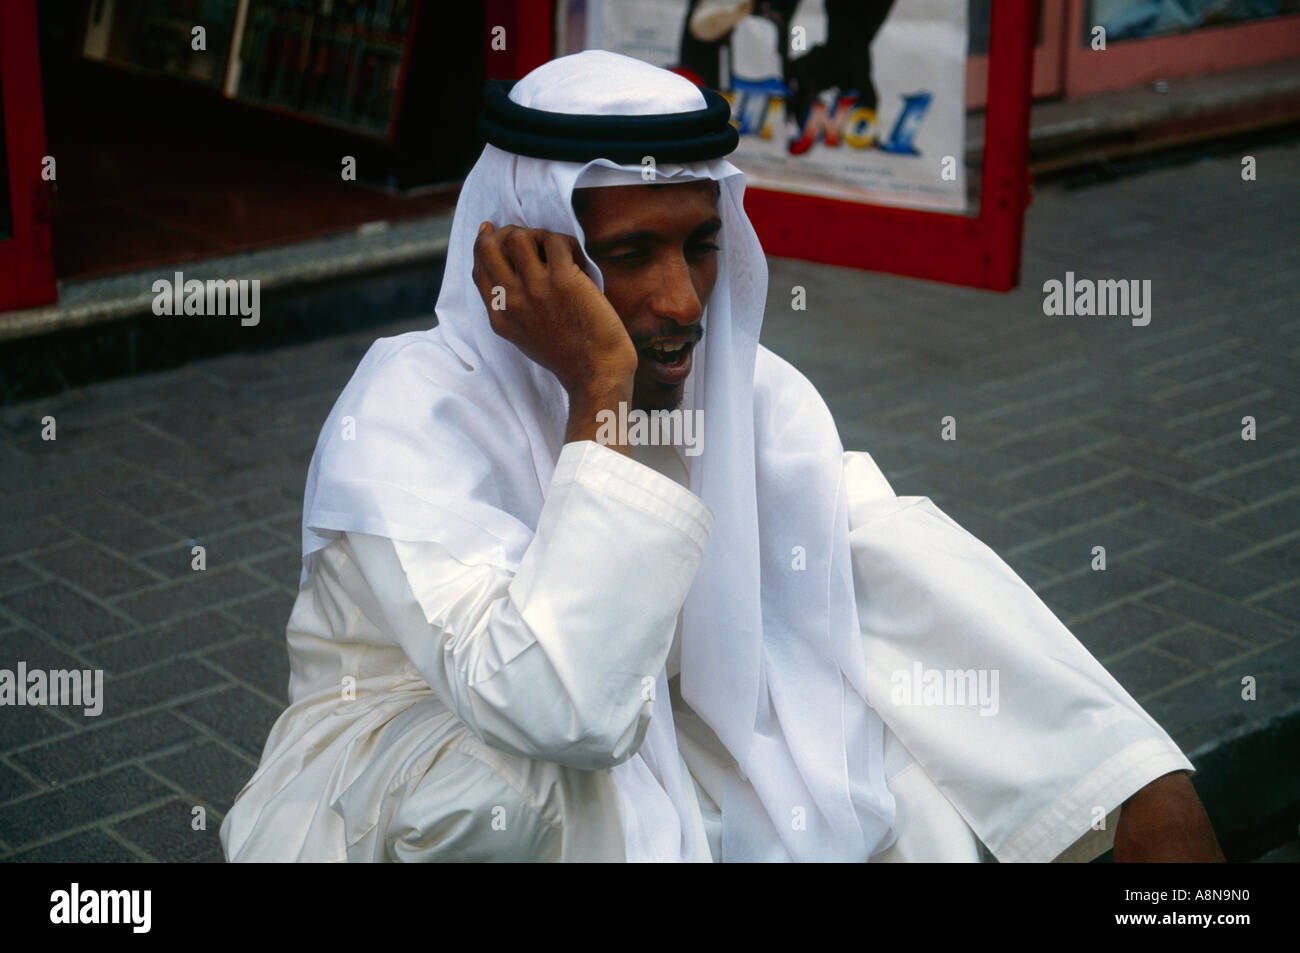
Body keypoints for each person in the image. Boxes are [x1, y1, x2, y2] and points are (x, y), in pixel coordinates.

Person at [220, 50, 1223, 863]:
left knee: (899, 783)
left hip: (649, 734)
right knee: (508, 797)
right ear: (525, 256)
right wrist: (598, 389)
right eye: (628, 254)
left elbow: (876, 555)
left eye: (699, 244)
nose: (683, 302)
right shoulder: (408, 409)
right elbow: (554, 706)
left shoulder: (745, 391)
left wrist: (1129, 771)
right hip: (420, 773)